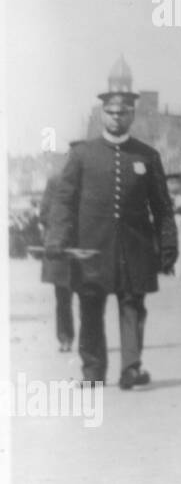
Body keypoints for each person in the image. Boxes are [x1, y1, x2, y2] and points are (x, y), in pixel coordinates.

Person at [44, 88, 177, 387]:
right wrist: (58, 239)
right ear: (102, 114)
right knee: (90, 308)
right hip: (91, 248)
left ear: (132, 115)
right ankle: (92, 372)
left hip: (135, 248)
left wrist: (168, 242)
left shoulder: (148, 156)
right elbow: (64, 201)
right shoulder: (82, 154)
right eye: (111, 112)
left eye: (123, 112)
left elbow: (162, 206)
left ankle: (130, 368)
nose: (117, 118)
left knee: (133, 306)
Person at [40, 148, 82, 352]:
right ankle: (69, 338)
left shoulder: (58, 180)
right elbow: (44, 214)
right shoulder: (57, 181)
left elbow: (43, 214)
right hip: (67, 249)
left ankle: (67, 338)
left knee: (67, 298)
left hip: (72, 248)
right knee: (69, 297)